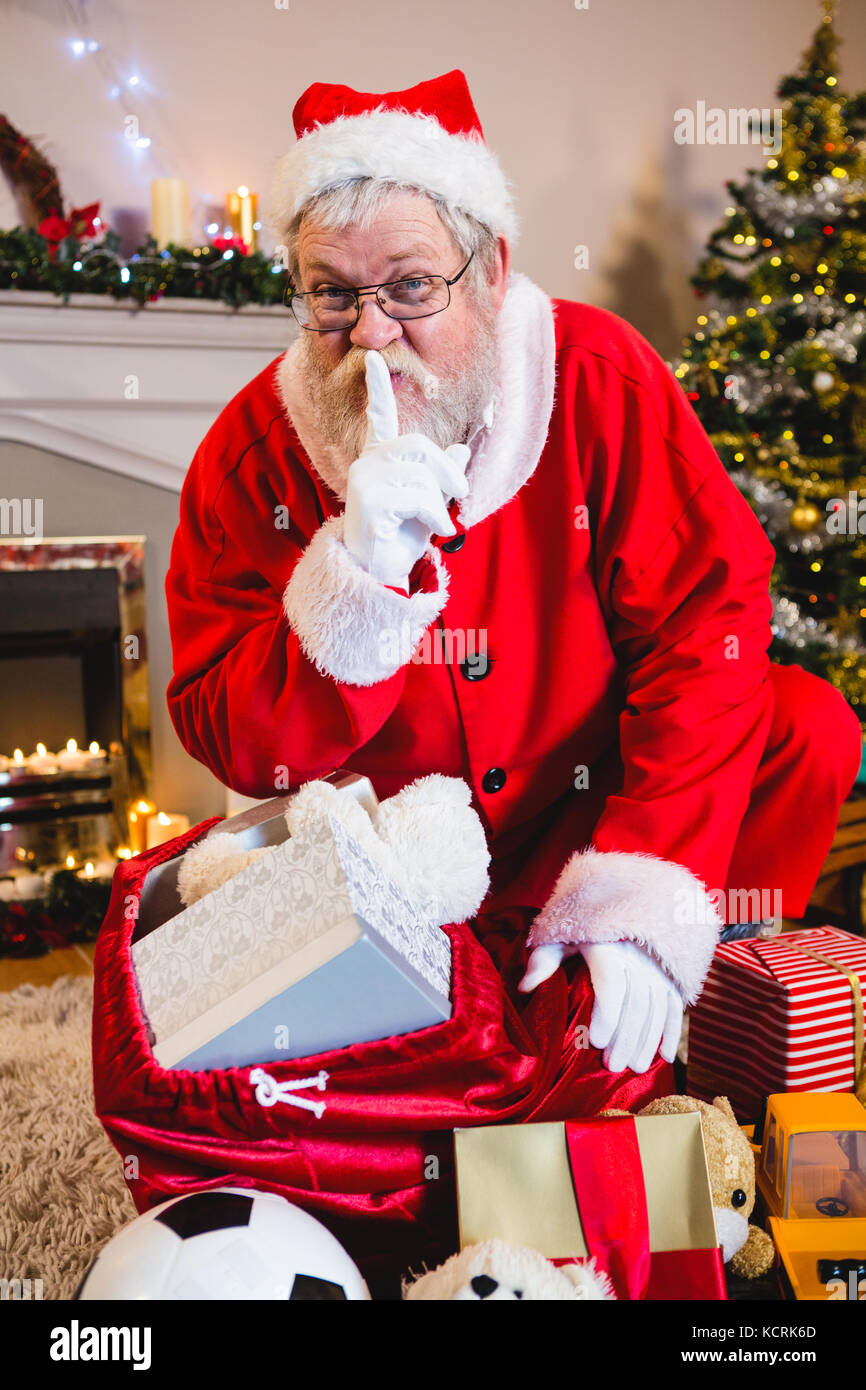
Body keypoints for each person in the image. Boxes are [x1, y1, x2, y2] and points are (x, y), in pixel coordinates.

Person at [165, 69, 862, 1115]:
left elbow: (706, 623)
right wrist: (348, 580)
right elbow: (232, 738)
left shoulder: (596, 377)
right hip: (393, 860)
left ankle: (677, 986)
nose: (369, 334)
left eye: (408, 286)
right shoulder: (246, 457)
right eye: (331, 293)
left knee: (804, 721)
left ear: (489, 269)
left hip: (587, 816)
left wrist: (639, 892)